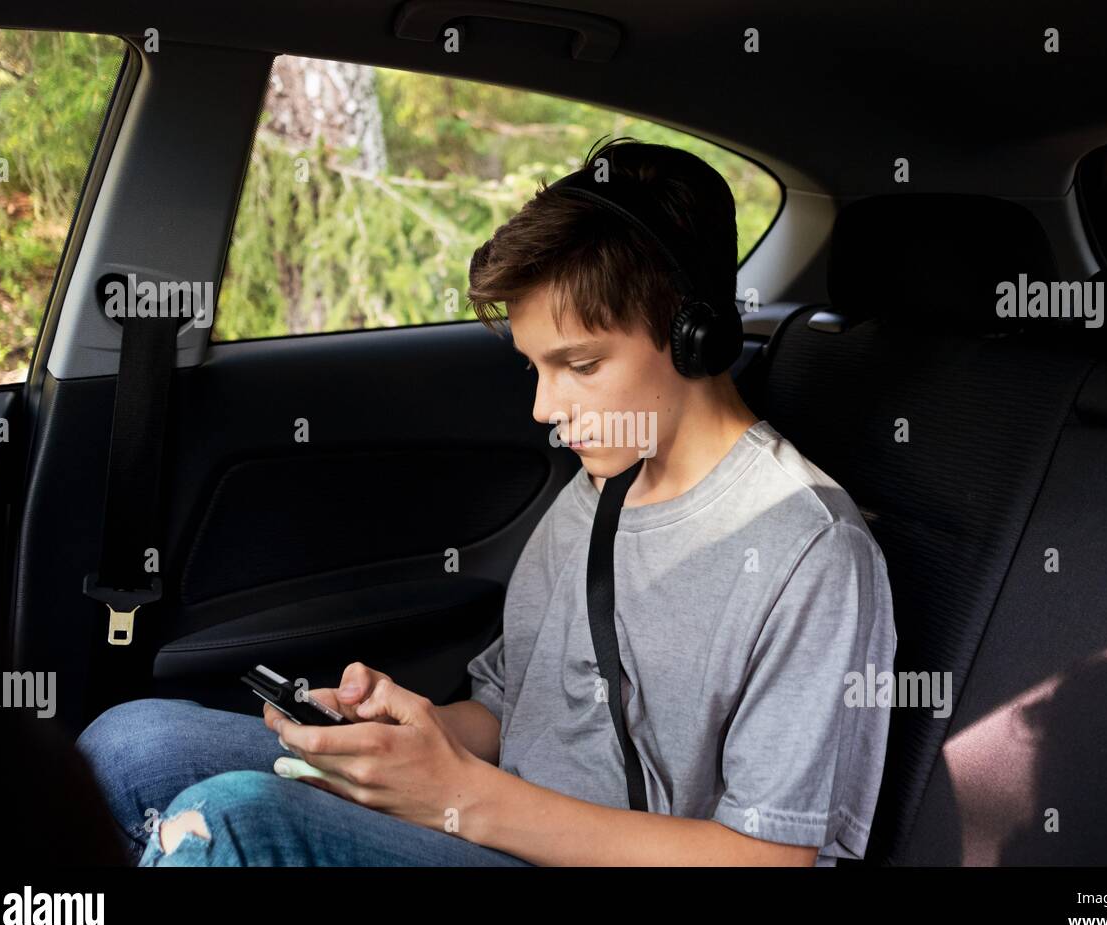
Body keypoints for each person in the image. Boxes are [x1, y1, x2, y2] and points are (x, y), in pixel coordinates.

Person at [76, 136, 897, 866]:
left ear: (696, 336)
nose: (544, 409)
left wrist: (459, 801)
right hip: (489, 815)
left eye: (579, 366)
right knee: (126, 744)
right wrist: (409, 737)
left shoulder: (810, 553)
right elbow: (513, 708)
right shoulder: (598, 489)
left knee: (228, 826)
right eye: (534, 367)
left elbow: (768, 859)